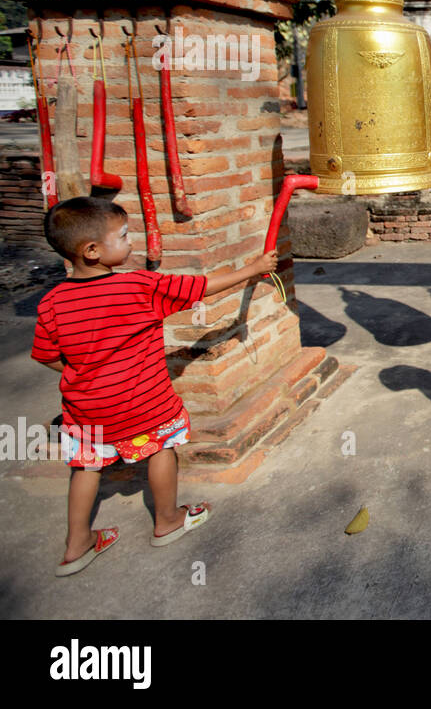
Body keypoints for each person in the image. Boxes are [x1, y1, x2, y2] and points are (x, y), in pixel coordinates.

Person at [31, 196, 277, 575]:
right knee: (161, 450)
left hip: (87, 411)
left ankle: (77, 544)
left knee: (86, 468)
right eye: (125, 235)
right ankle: (167, 521)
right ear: (92, 250)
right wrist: (254, 268)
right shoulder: (140, 287)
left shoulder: (51, 303)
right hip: (147, 403)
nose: (132, 243)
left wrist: (86, 372)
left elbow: (46, 356)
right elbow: (202, 286)